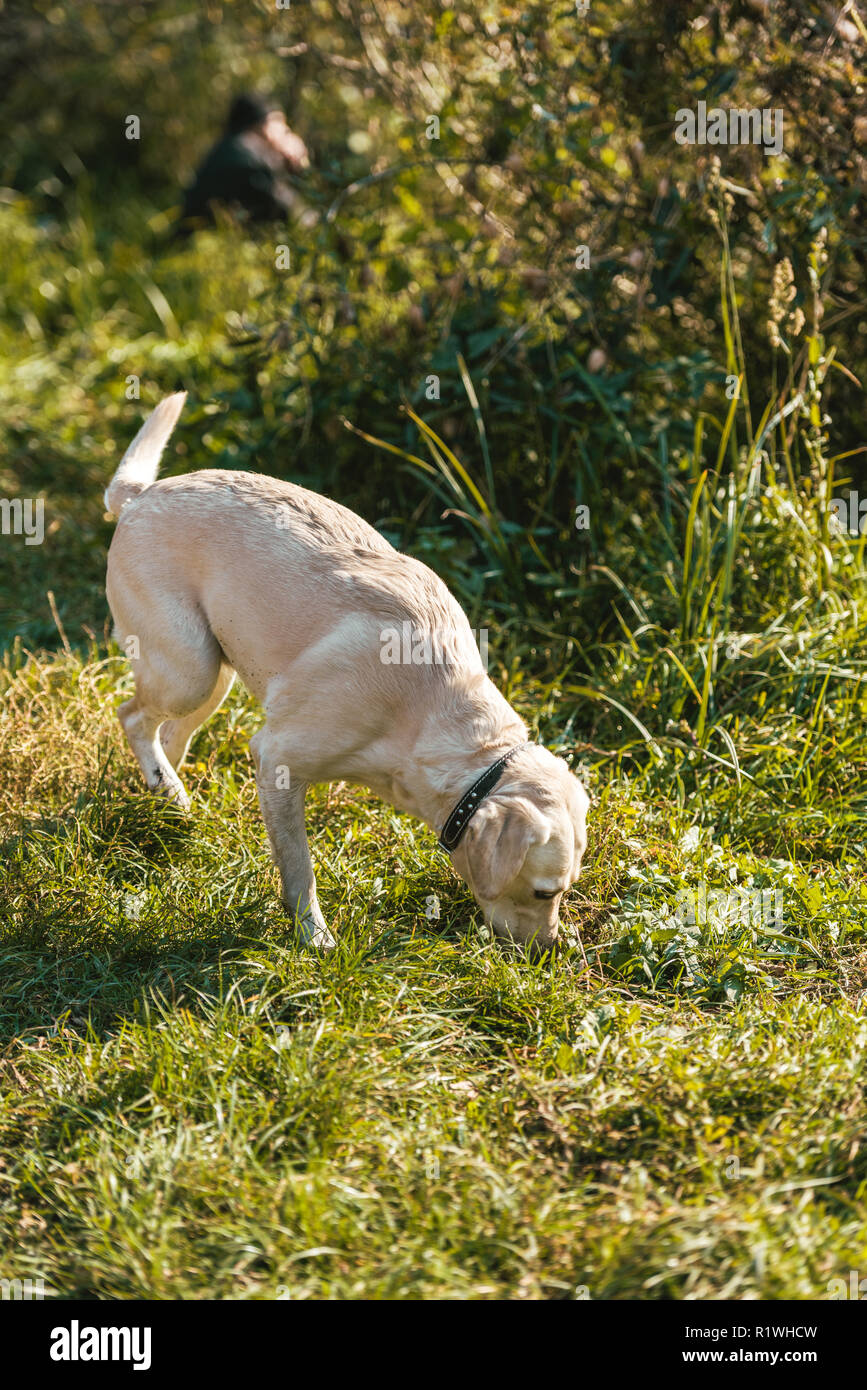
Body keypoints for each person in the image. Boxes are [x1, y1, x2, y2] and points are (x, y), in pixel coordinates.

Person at [177, 93, 310, 234]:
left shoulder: (231, 148)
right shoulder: (249, 159)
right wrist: (296, 164)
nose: (286, 130)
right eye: (280, 122)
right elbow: (293, 215)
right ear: (264, 124)